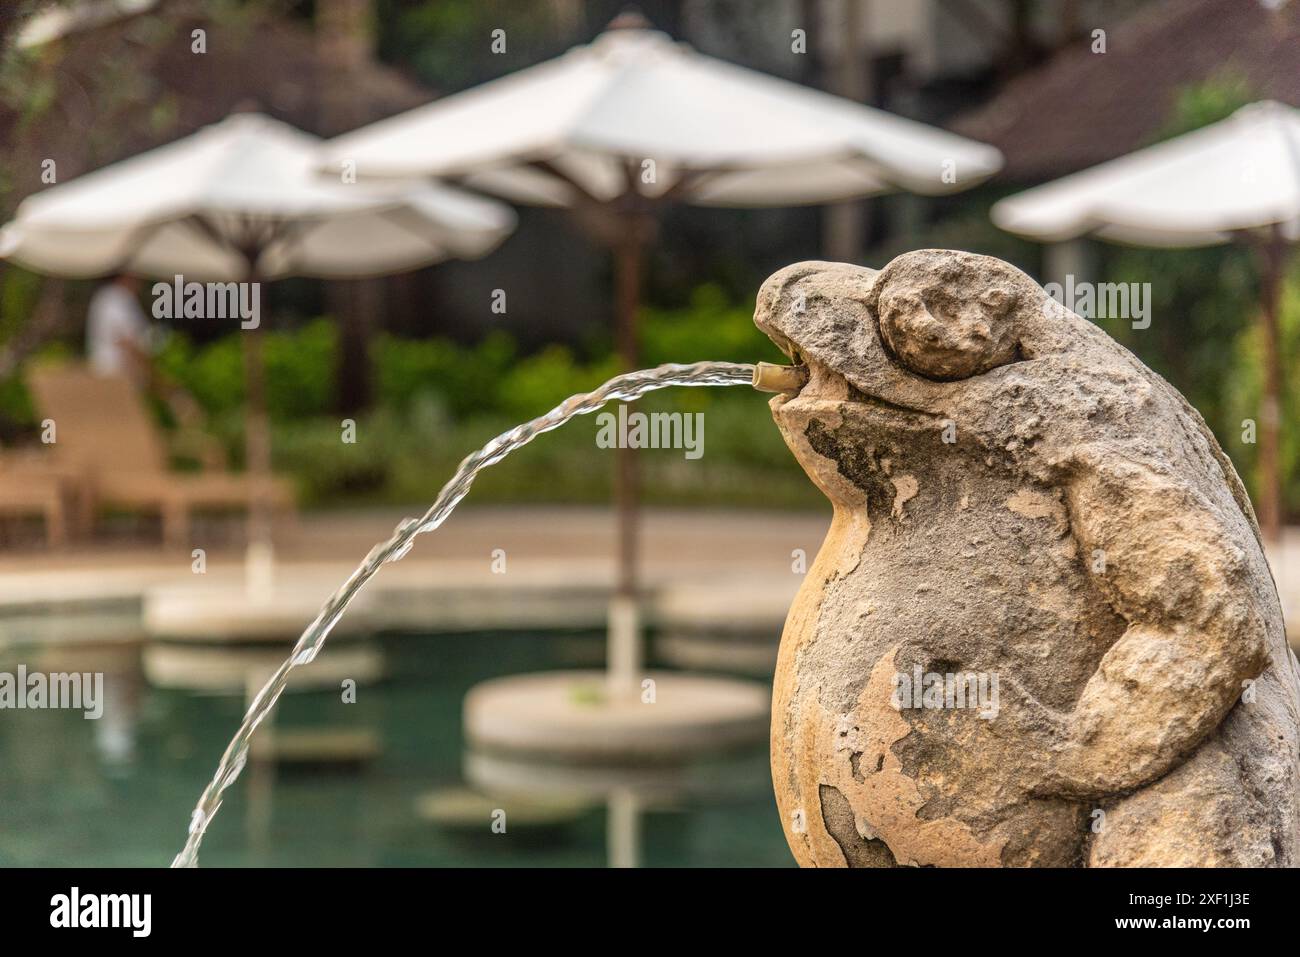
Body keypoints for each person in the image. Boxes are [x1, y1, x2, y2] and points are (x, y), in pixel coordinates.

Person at [86, 273, 152, 386]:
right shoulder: (118, 298)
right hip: (117, 373)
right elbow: (126, 341)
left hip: (106, 370)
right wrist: (148, 370)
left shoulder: (106, 297)